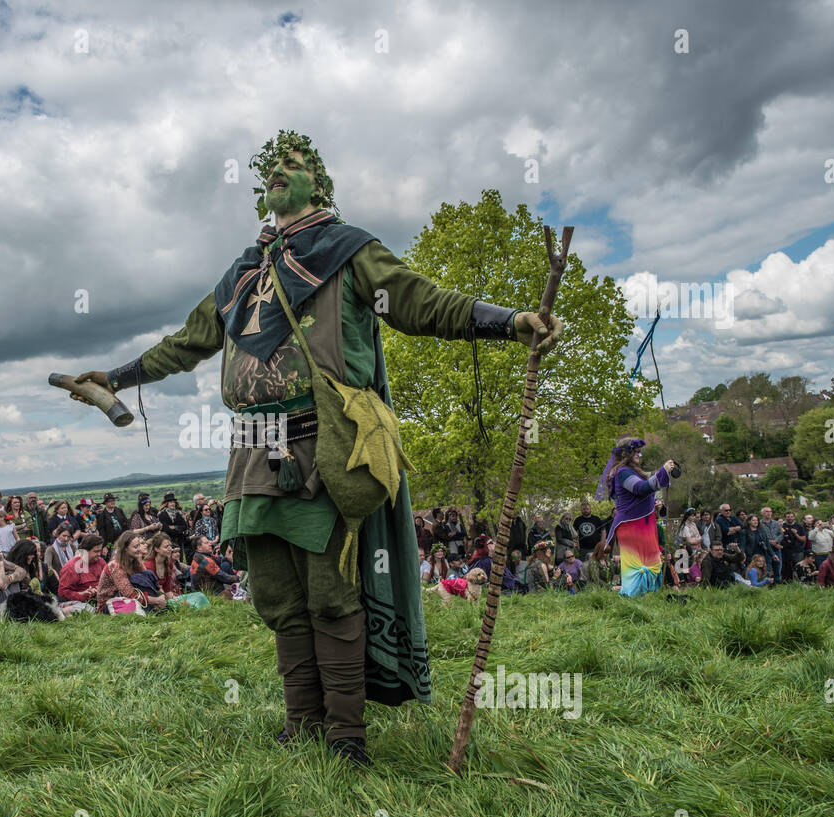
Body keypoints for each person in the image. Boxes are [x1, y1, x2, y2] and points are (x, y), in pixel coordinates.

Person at [72, 130, 563, 766]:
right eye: (273, 166)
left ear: (318, 185)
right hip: (251, 453)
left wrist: (510, 321)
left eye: (295, 164)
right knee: (278, 596)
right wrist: (114, 378)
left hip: (322, 449)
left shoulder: (348, 251)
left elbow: (420, 303)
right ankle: (301, 725)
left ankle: (346, 738)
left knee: (331, 595)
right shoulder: (242, 274)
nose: (280, 170)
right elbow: (186, 343)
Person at [595, 437, 674, 597]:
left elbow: (643, 495)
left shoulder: (631, 472)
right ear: (626, 454)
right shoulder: (623, 472)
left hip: (644, 526)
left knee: (652, 562)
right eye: (636, 452)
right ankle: (632, 600)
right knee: (638, 567)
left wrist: (656, 503)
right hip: (632, 527)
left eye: (640, 452)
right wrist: (663, 471)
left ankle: (647, 598)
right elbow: (640, 489)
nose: (639, 455)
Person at [95, 529, 167, 613]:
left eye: (139, 545)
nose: (139, 549)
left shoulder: (135, 560)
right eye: (136, 547)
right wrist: (156, 600)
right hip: (109, 604)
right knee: (137, 578)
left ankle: (155, 606)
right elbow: (130, 594)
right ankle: (152, 607)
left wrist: (162, 595)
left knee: (147, 574)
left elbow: (148, 581)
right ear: (125, 548)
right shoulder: (115, 566)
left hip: (125, 598)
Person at [57, 534, 107, 605]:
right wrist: (82, 594)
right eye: (96, 551)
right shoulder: (71, 567)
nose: (99, 554)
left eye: (100, 551)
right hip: (83, 604)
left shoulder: (101, 562)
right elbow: (62, 593)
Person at [144, 533, 181, 599]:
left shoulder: (169, 563)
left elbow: (167, 590)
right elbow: (152, 592)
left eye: (170, 546)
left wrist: (178, 602)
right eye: (166, 547)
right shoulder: (148, 566)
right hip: (151, 599)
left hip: (162, 596)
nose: (170, 549)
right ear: (156, 549)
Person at [781, 511, 807, 582]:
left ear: (794, 517)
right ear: (785, 517)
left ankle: (798, 582)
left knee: (798, 567)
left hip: (797, 550)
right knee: (786, 568)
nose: (790, 518)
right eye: (788, 517)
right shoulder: (782, 526)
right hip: (785, 551)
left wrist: (796, 534)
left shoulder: (799, 526)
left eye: (791, 517)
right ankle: (787, 581)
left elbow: (803, 539)